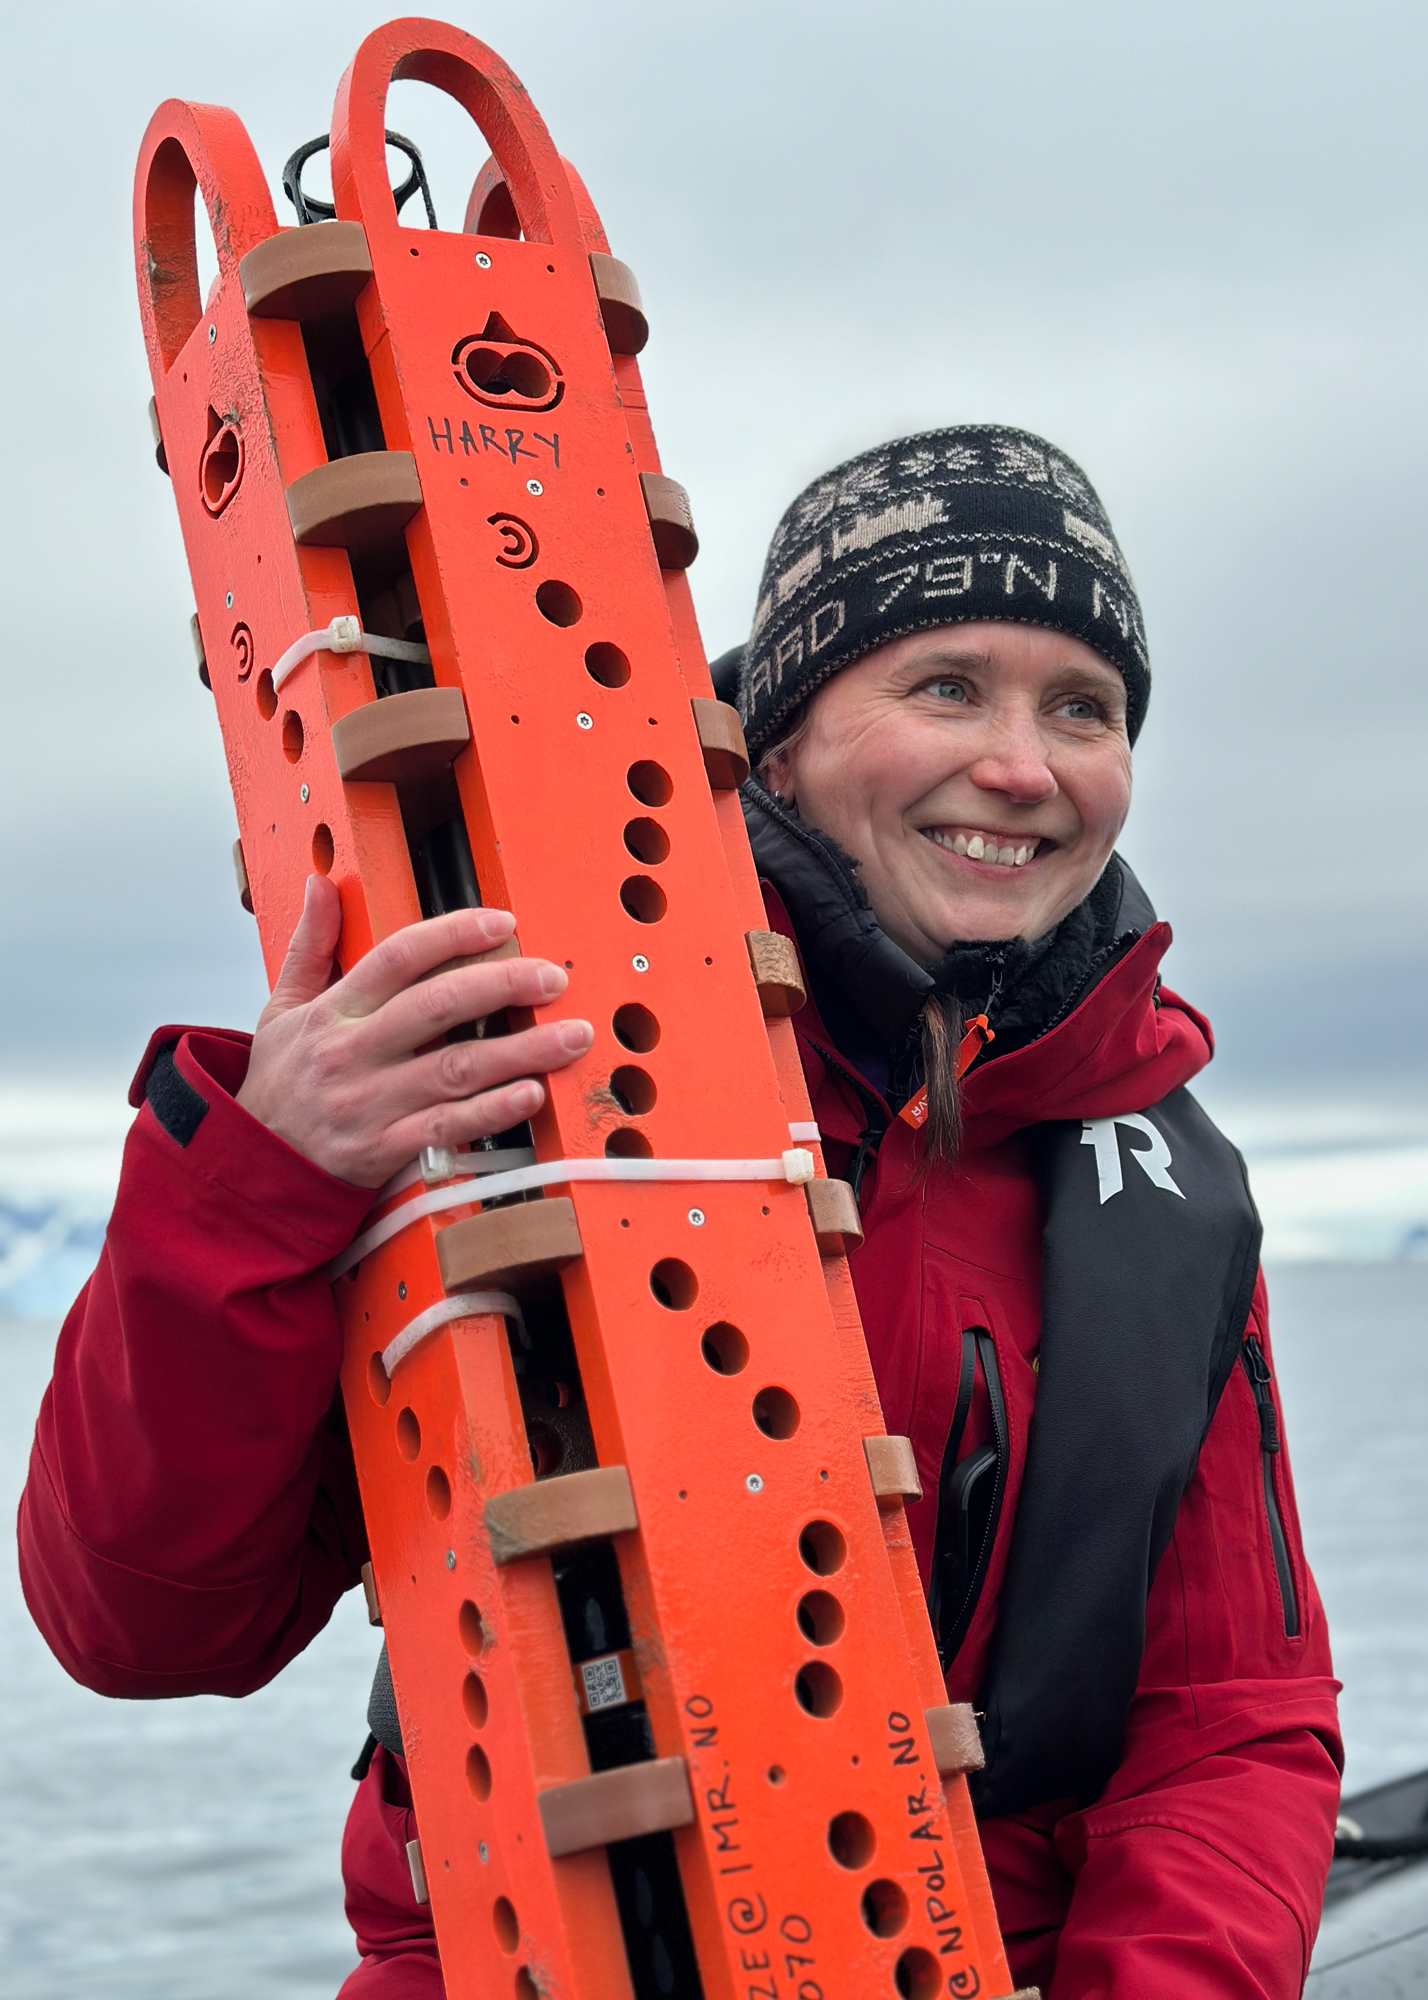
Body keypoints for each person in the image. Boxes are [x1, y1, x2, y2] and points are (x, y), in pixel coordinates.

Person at [19, 424, 1340, 1998]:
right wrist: (265, 1174)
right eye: (945, 686)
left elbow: (1230, 1726)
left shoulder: (1162, 1190)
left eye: (1085, 708)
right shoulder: (502, 1060)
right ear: (769, 744)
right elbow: (144, 1626)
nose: (1022, 765)